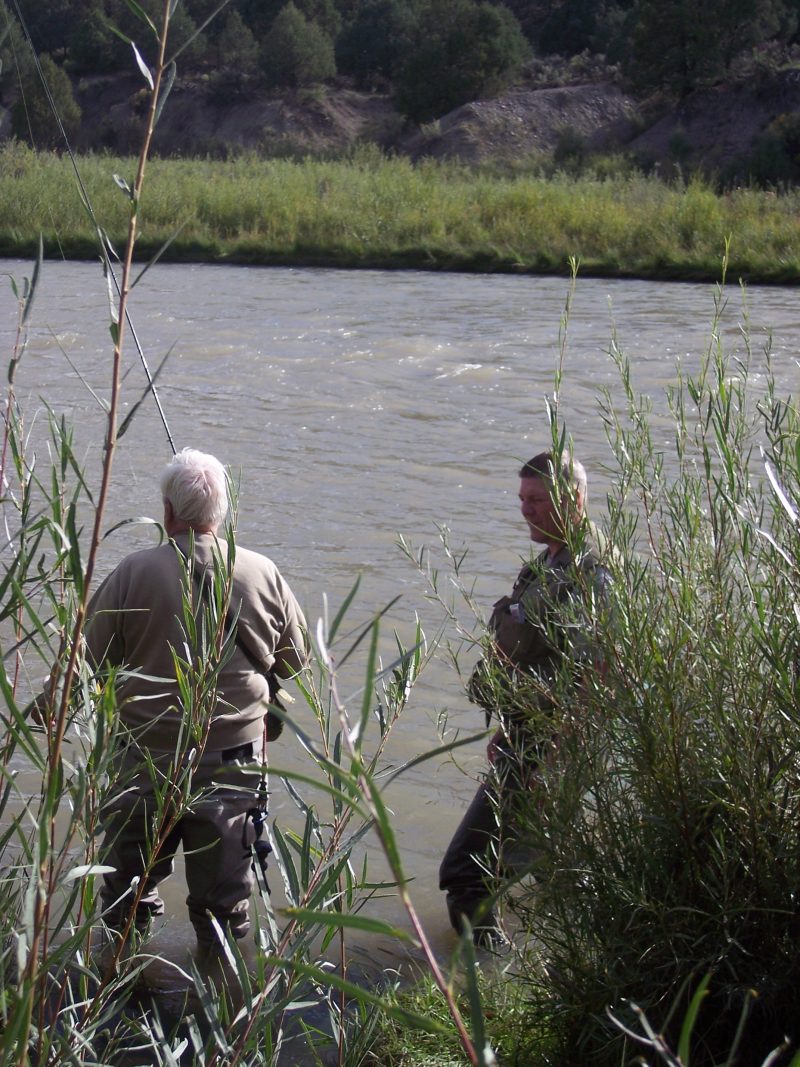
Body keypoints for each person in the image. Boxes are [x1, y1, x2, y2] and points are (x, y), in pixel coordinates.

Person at [84, 448, 307, 955]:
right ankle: (222, 1005)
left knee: (127, 893)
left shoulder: (133, 573)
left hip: (144, 756)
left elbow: (90, 663)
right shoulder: (261, 571)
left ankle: (120, 997)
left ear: (167, 511)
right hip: (233, 762)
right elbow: (296, 659)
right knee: (225, 908)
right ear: (221, 512)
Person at [439, 450, 612, 945]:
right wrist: (506, 726)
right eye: (522, 499)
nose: (526, 511)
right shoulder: (552, 561)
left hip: (549, 749)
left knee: (467, 874)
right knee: (554, 869)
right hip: (529, 739)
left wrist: (555, 762)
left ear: (573, 499)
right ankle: (580, 963)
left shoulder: (590, 572)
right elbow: (544, 659)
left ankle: (483, 988)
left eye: (537, 500)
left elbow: (597, 674)